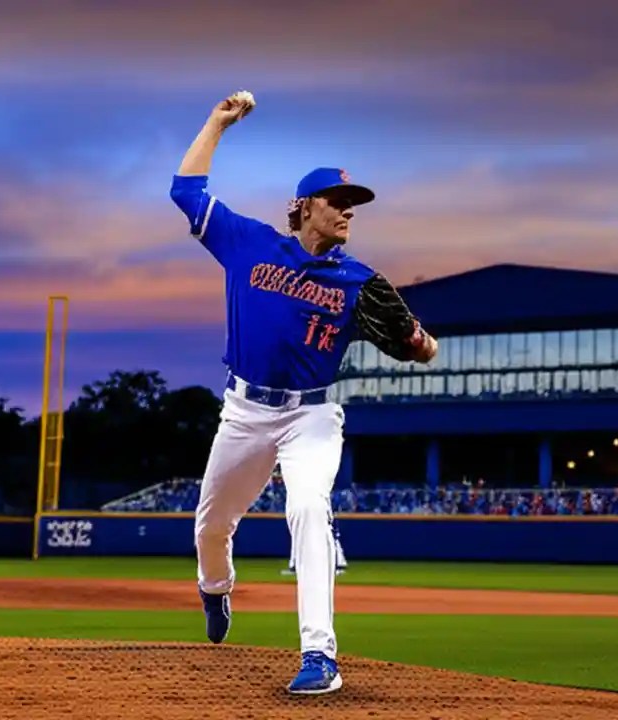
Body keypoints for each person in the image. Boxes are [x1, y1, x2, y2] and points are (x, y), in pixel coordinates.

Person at [169, 90, 437, 695]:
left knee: (310, 508)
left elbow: (420, 345)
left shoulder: (359, 282)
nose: (347, 211)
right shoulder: (251, 244)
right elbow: (185, 192)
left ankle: (320, 656)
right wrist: (216, 123)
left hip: (311, 417)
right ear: (304, 208)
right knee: (211, 528)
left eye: (353, 204)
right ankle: (216, 589)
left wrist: (420, 342)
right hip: (241, 413)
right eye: (337, 201)